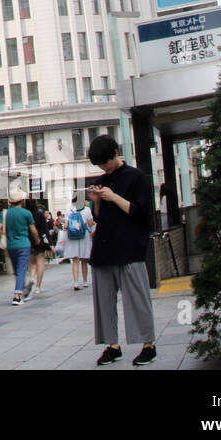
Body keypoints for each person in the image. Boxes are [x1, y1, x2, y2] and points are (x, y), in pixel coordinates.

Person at [85, 134, 156, 366]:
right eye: (100, 165)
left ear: (116, 152)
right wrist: (96, 201)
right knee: (104, 301)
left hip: (130, 246)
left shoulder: (137, 177)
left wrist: (114, 197)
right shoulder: (101, 179)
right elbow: (99, 218)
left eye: (105, 162)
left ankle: (148, 344)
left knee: (137, 298)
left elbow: (140, 212)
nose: (104, 168)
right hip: (104, 248)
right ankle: (112, 346)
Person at [4, 188, 39, 305]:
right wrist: (37, 239)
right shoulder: (26, 213)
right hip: (24, 244)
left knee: (17, 270)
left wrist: (5, 234)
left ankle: (21, 290)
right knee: (21, 269)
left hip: (11, 245)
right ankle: (17, 295)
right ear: (21, 200)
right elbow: (33, 230)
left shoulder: (5, 213)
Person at [64, 192, 96, 290]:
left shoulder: (69, 210)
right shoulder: (87, 210)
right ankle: (85, 281)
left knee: (75, 260)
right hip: (84, 236)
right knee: (84, 260)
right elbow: (90, 224)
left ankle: (76, 282)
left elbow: (65, 226)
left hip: (73, 237)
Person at [27, 199, 52, 294]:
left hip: (30, 241)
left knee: (33, 264)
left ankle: (32, 279)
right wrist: (49, 243)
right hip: (40, 241)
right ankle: (38, 286)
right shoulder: (39, 214)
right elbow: (45, 229)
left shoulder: (27, 214)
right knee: (40, 263)